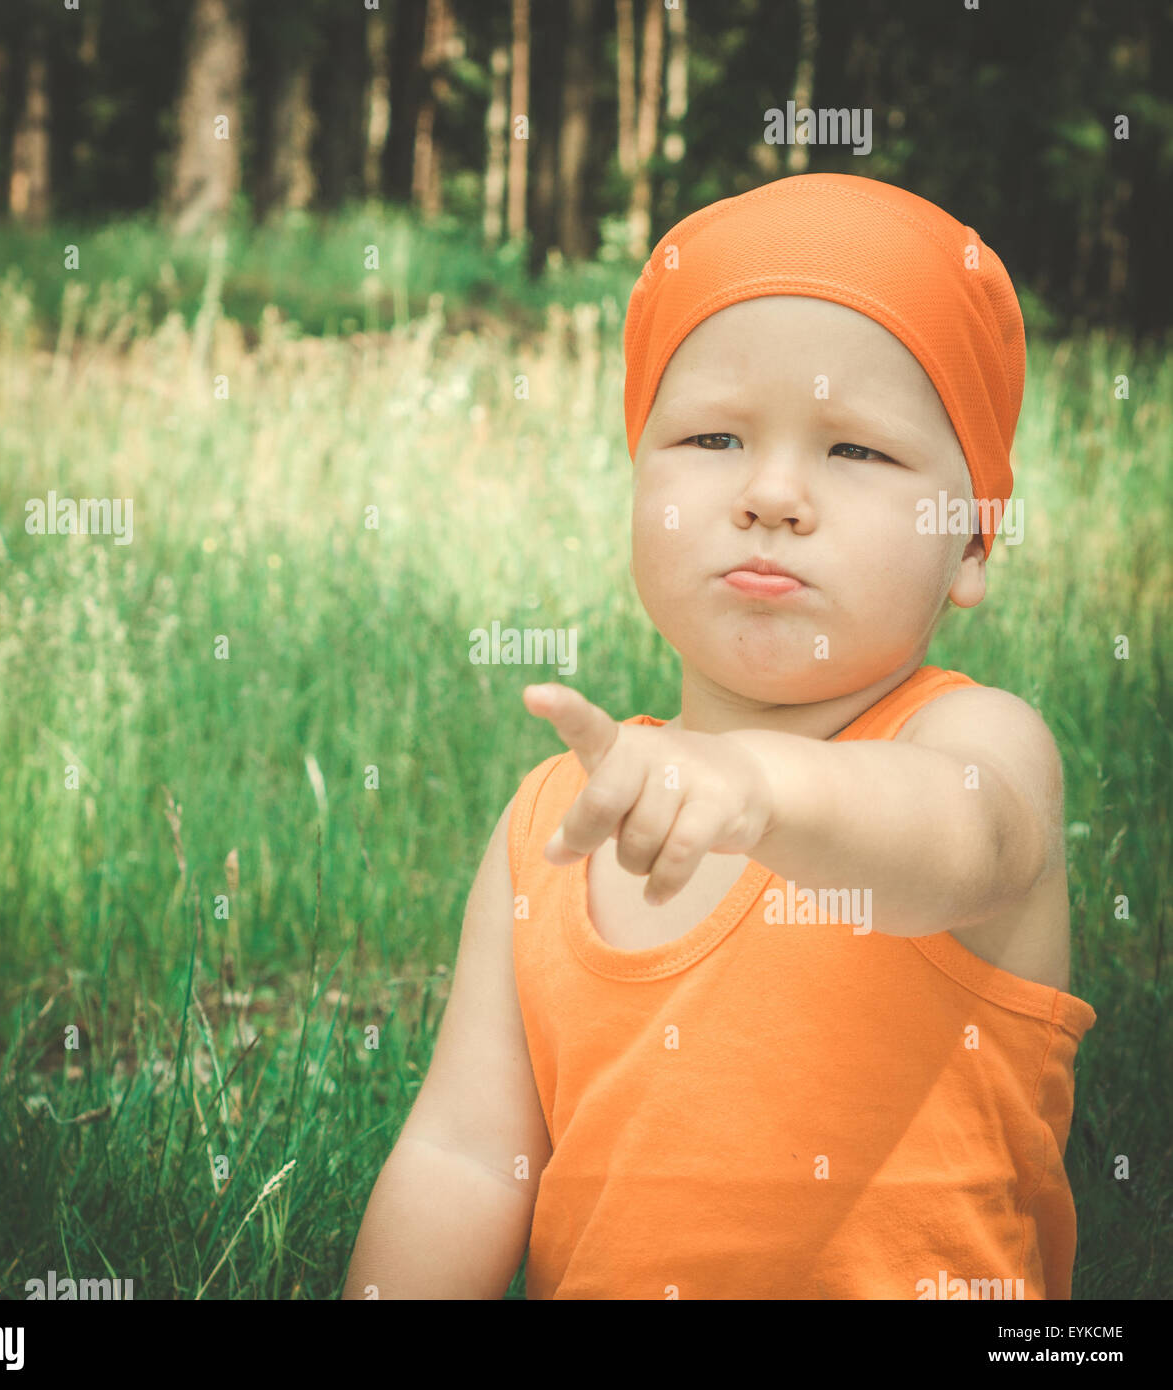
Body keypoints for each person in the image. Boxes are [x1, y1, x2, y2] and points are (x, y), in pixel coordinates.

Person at [341, 173, 1096, 1300]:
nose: (773, 492)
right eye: (710, 436)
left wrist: (752, 784)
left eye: (855, 452)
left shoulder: (981, 745)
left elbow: (954, 841)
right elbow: (463, 1157)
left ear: (972, 540)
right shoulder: (554, 821)